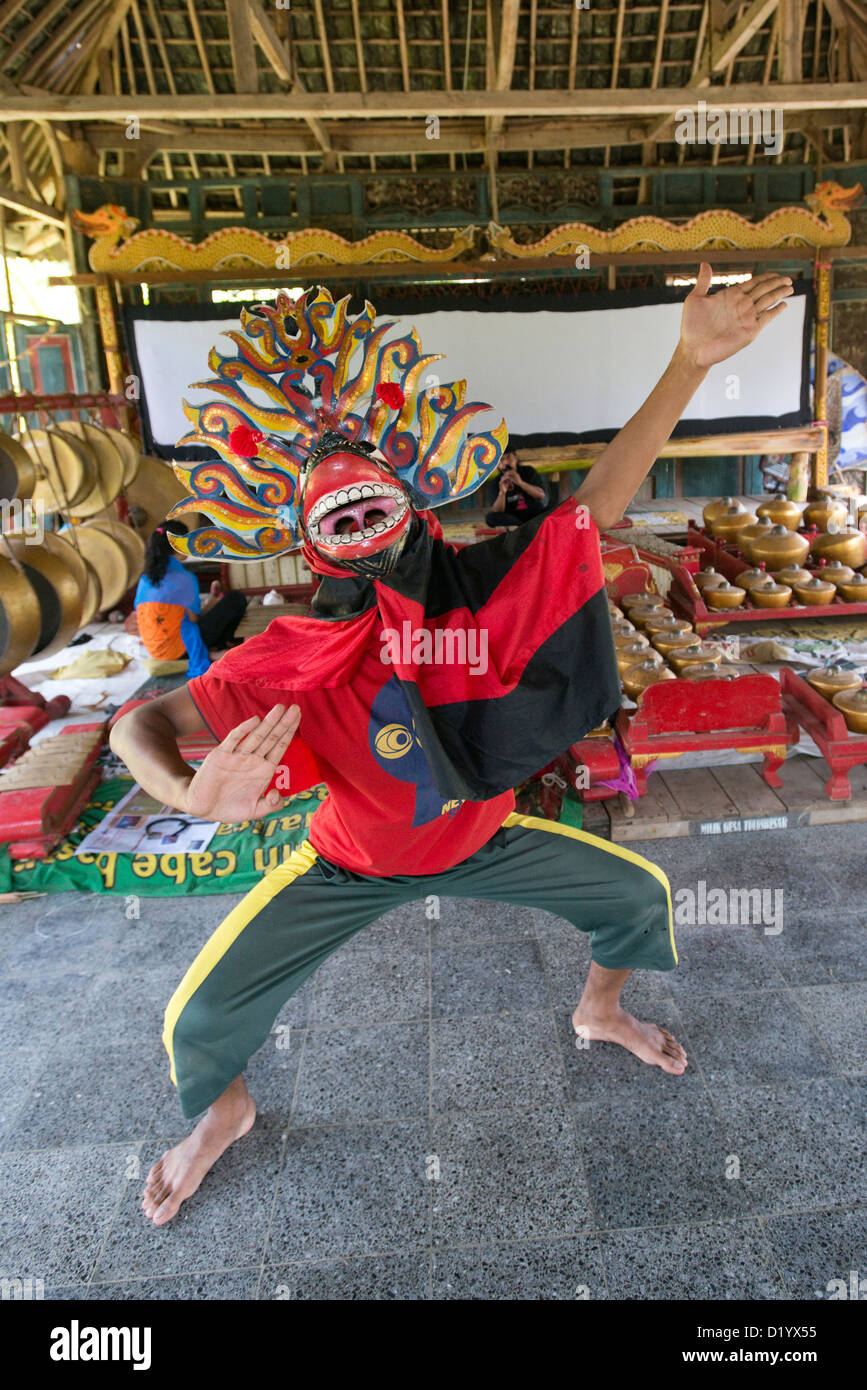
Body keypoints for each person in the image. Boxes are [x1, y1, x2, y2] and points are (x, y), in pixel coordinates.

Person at [110, 268, 793, 1225]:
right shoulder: (289, 657)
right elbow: (132, 724)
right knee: (198, 1020)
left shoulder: (486, 589)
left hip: (484, 837)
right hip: (351, 864)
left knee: (638, 897)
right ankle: (225, 1112)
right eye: (334, 516)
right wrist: (184, 794)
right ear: (313, 546)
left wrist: (687, 363)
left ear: (414, 501)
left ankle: (596, 1012)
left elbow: (588, 510)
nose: (356, 521)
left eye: (368, 499)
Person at [134, 520, 247, 676]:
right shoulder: (184, 578)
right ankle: (222, 646)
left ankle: (217, 648)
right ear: (176, 544)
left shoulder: (145, 579)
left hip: (154, 649)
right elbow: (194, 620)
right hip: (181, 650)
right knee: (236, 598)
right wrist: (212, 603)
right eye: (187, 540)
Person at [485, 449, 548, 527]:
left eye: (508, 457)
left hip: (534, 513)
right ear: (498, 465)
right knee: (490, 517)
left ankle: (526, 528)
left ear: (516, 458)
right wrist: (502, 492)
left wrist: (521, 483)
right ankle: (522, 529)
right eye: (501, 459)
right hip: (514, 519)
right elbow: (497, 511)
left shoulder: (528, 471)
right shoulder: (496, 482)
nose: (506, 462)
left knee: (552, 511)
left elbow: (541, 495)